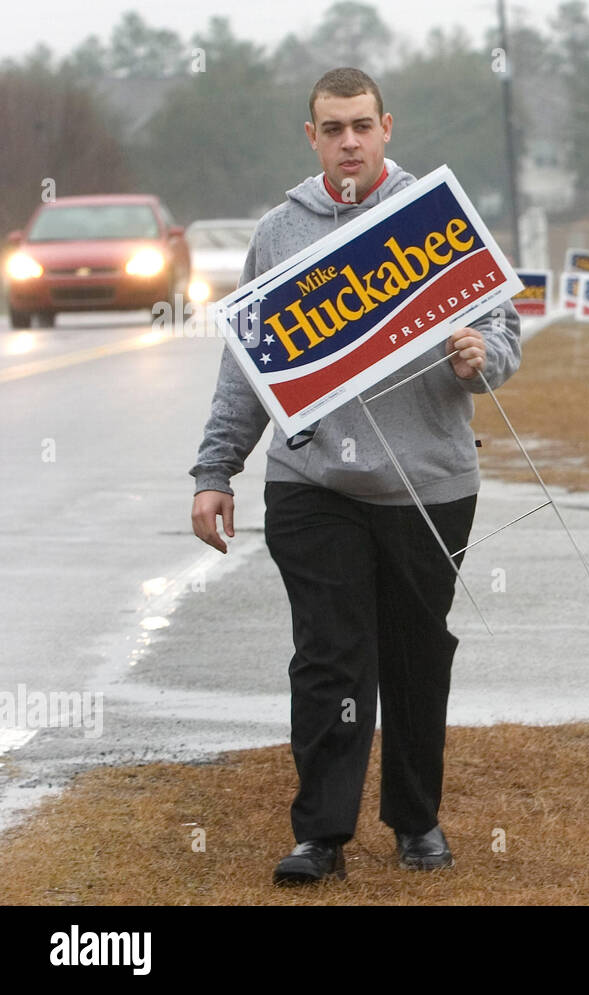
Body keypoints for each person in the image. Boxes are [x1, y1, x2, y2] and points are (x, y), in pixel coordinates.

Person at [189, 66, 522, 885]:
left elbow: (503, 328)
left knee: (415, 654)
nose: (348, 141)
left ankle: (417, 823)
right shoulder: (279, 232)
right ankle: (321, 835)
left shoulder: (434, 220)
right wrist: (215, 468)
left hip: (429, 484)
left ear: (386, 128)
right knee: (331, 657)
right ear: (312, 137)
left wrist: (487, 359)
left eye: (361, 126)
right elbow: (249, 369)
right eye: (332, 128)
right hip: (313, 487)